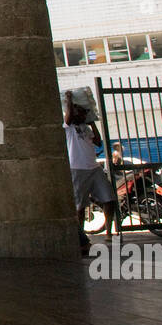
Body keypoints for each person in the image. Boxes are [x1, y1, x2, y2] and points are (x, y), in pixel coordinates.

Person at [65, 92, 118, 243]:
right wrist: (69, 101)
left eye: (84, 112)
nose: (82, 115)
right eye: (80, 112)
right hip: (77, 168)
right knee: (79, 206)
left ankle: (108, 232)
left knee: (109, 199)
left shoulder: (85, 128)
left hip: (94, 168)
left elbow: (98, 141)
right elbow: (68, 118)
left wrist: (92, 121)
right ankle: (80, 237)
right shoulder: (68, 128)